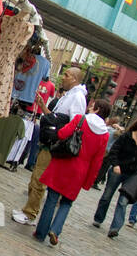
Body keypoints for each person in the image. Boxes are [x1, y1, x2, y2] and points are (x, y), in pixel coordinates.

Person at [13, 67, 89, 226]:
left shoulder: (77, 97)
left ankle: (30, 213)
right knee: (36, 176)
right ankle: (28, 209)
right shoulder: (70, 95)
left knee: (39, 178)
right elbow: (56, 119)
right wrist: (43, 106)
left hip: (55, 144)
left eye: (66, 75)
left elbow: (76, 123)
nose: (63, 78)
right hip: (50, 141)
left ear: (74, 78)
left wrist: (59, 137)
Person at [33, 102, 111, 245]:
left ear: (97, 109)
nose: (89, 108)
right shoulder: (104, 134)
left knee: (52, 198)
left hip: (64, 162)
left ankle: (41, 232)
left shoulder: (80, 120)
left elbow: (62, 134)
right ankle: (55, 230)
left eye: (92, 106)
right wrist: (88, 182)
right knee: (67, 203)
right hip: (80, 170)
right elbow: (97, 161)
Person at [92, 118, 137, 238]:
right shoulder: (126, 137)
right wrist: (115, 165)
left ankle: (115, 228)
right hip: (118, 171)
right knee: (107, 196)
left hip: (133, 174)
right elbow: (114, 151)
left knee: (123, 201)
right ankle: (98, 218)